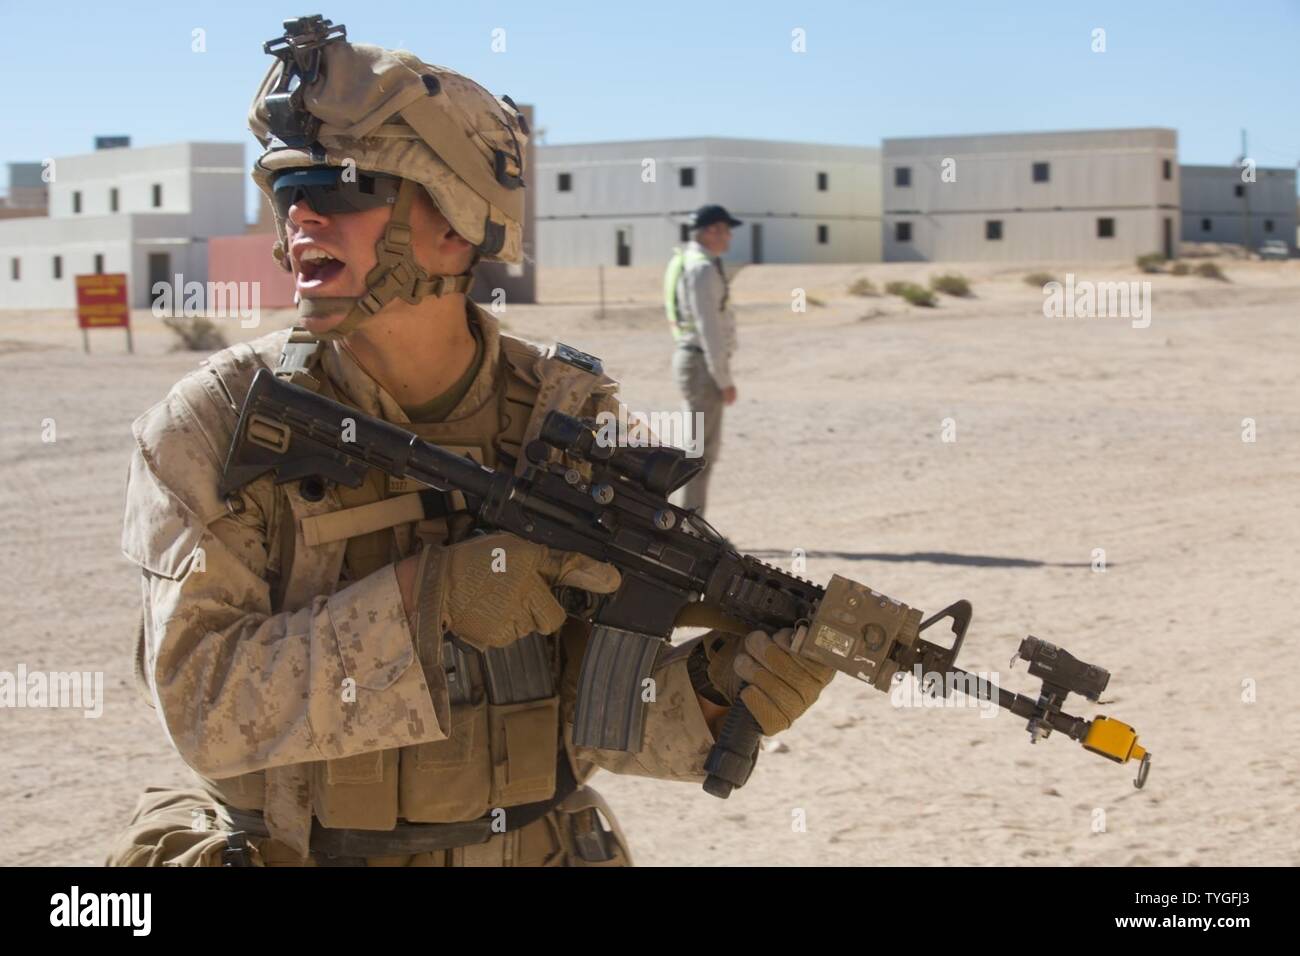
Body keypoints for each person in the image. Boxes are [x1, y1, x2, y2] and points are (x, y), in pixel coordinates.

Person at [105, 16, 833, 867]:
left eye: (339, 189)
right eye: (285, 190)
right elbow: (205, 708)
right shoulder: (215, 426)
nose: (300, 218)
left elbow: (594, 723)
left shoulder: (569, 417)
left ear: (454, 225)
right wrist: (433, 601)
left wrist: (719, 692)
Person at [664, 204, 742, 517]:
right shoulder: (702, 269)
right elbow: (709, 329)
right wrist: (724, 379)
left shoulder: (689, 261)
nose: (729, 237)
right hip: (701, 366)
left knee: (697, 448)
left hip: (695, 361)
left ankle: (688, 519)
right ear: (710, 230)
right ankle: (690, 523)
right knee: (700, 451)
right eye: (725, 230)